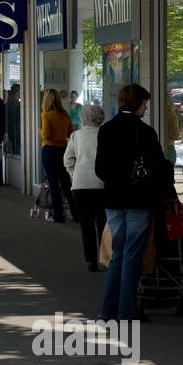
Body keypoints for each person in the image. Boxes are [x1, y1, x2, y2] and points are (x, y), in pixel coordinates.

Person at [94, 84, 173, 322]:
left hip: (114, 200)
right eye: (145, 103)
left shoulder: (106, 129)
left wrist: (115, 182)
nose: (146, 107)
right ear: (137, 103)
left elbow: (100, 168)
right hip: (139, 200)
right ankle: (127, 310)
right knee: (132, 254)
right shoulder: (146, 132)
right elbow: (159, 167)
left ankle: (106, 310)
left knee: (118, 253)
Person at [65, 103, 108, 271]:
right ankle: (105, 258)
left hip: (81, 185)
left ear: (83, 117)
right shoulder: (106, 135)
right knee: (103, 223)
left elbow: (67, 160)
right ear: (101, 117)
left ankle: (90, 260)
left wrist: (74, 174)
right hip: (101, 184)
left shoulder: (76, 136)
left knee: (86, 224)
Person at [39, 88, 76, 223]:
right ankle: (75, 213)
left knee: (53, 184)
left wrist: (40, 132)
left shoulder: (46, 115)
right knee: (66, 184)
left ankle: (58, 215)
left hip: (49, 151)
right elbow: (70, 133)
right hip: (62, 151)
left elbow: (46, 135)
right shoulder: (65, 114)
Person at [5, 84, 22, 157]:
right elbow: (18, 119)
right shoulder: (17, 104)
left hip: (9, 129)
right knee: (16, 149)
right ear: (16, 92)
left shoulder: (8, 103)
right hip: (16, 130)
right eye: (20, 91)